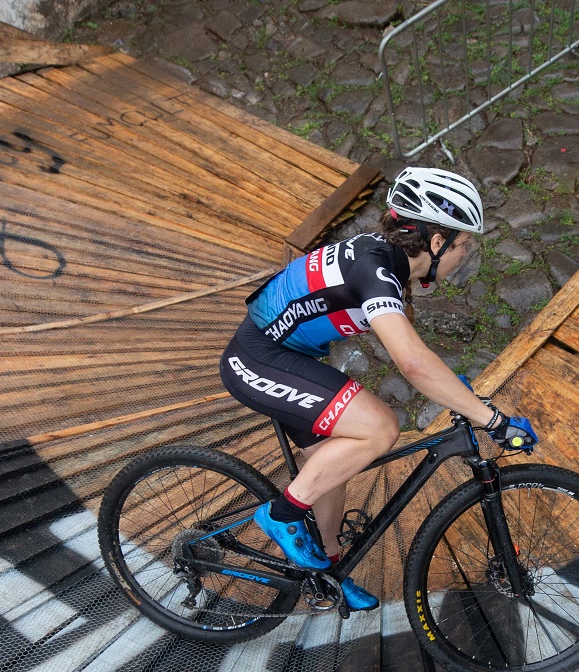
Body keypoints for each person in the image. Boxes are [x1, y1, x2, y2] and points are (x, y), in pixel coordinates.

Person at [219, 167, 538, 611]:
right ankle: (283, 516)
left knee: (333, 464)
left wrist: (455, 392)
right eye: (463, 244)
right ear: (435, 240)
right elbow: (410, 362)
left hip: (286, 357)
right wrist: (494, 420)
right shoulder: (376, 270)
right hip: (258, 359)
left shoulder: (384, 260)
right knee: (379, 427)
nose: (465, 255)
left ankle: (326, 570)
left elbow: (412, 351)